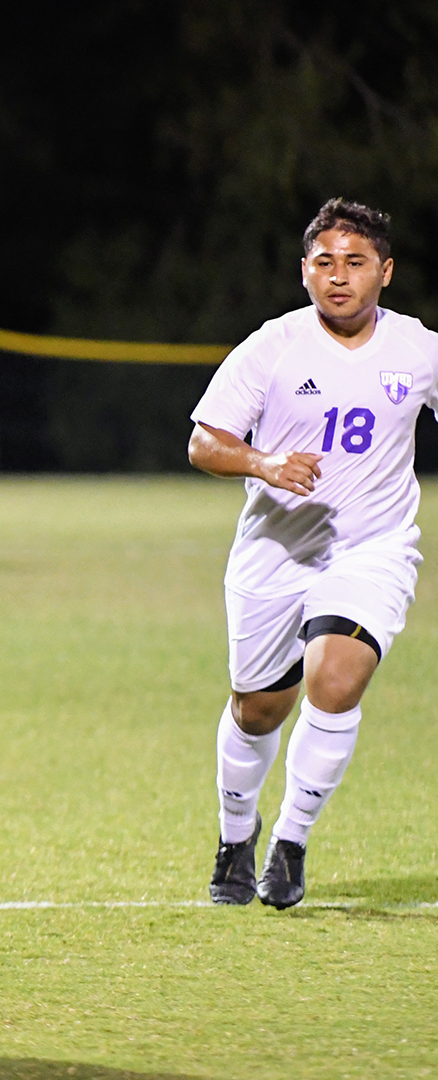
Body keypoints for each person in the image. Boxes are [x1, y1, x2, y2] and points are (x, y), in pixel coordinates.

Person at [189, 197, 438, 909]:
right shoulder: (272, 347)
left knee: (336, 677)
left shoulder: (418, 348)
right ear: (304, 272)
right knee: (259, 707)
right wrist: (264, 463)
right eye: (324, 262)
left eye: (355, 263)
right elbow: (204, 441)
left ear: (384, 273)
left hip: (373, 551)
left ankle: (290, 844)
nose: (339, 276)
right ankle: (236, 834)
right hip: (275, 551)